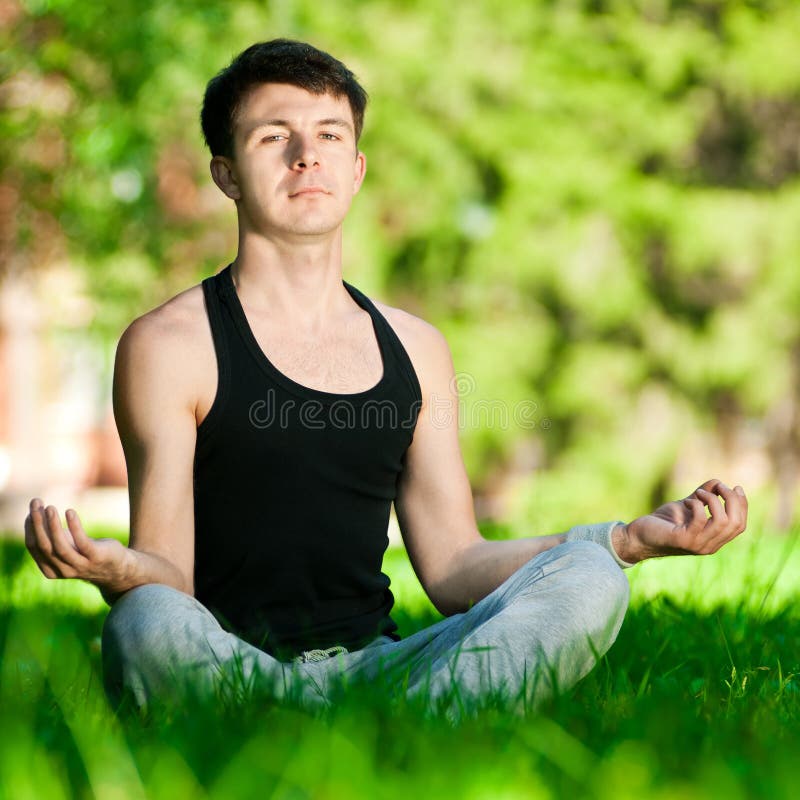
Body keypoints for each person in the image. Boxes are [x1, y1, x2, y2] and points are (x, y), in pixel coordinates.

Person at [24, 39, 748, 716]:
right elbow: (170, 579)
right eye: (274, 136)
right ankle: (389, 727)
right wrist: (117, 572)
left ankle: (402, 719)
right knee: (145, 622)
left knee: (592, 578)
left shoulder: (415, 347)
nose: (308, 155)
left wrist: (628, 541)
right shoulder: (168, 344)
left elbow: (456, 565)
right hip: (228, 662)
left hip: (381, 669)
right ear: (226, 173)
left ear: (357, 169)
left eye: (331, 134)